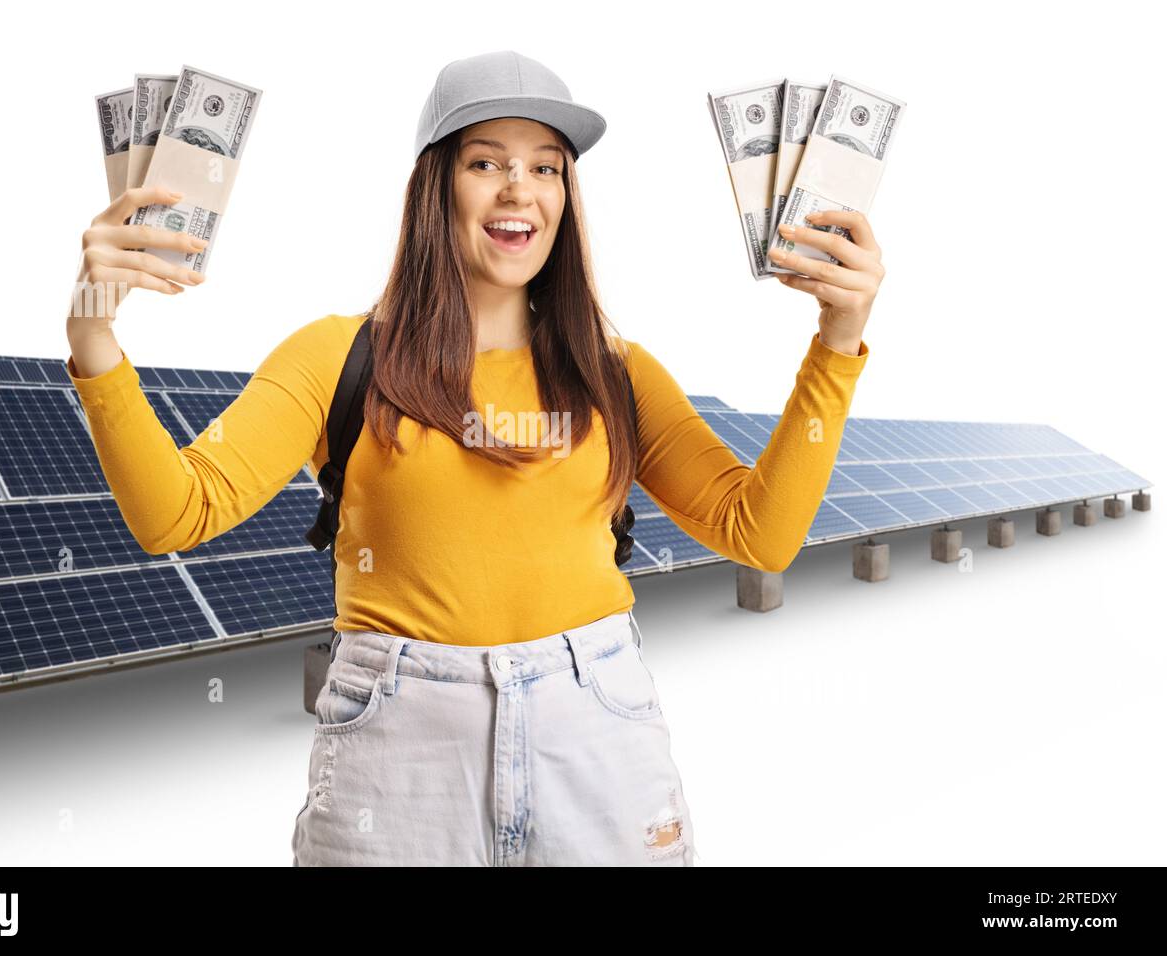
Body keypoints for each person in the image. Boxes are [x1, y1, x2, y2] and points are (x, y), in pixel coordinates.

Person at [64, 50, 882, 866]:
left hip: (596, 734)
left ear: (565, 197)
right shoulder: (337, 357)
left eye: (545, 168)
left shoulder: (617, 374)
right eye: (485, 161)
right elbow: (176, 513)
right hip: (398, 758)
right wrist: (93, 334)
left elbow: (760, 535)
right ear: (436, 188)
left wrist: (837, 341)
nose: (519, 188)